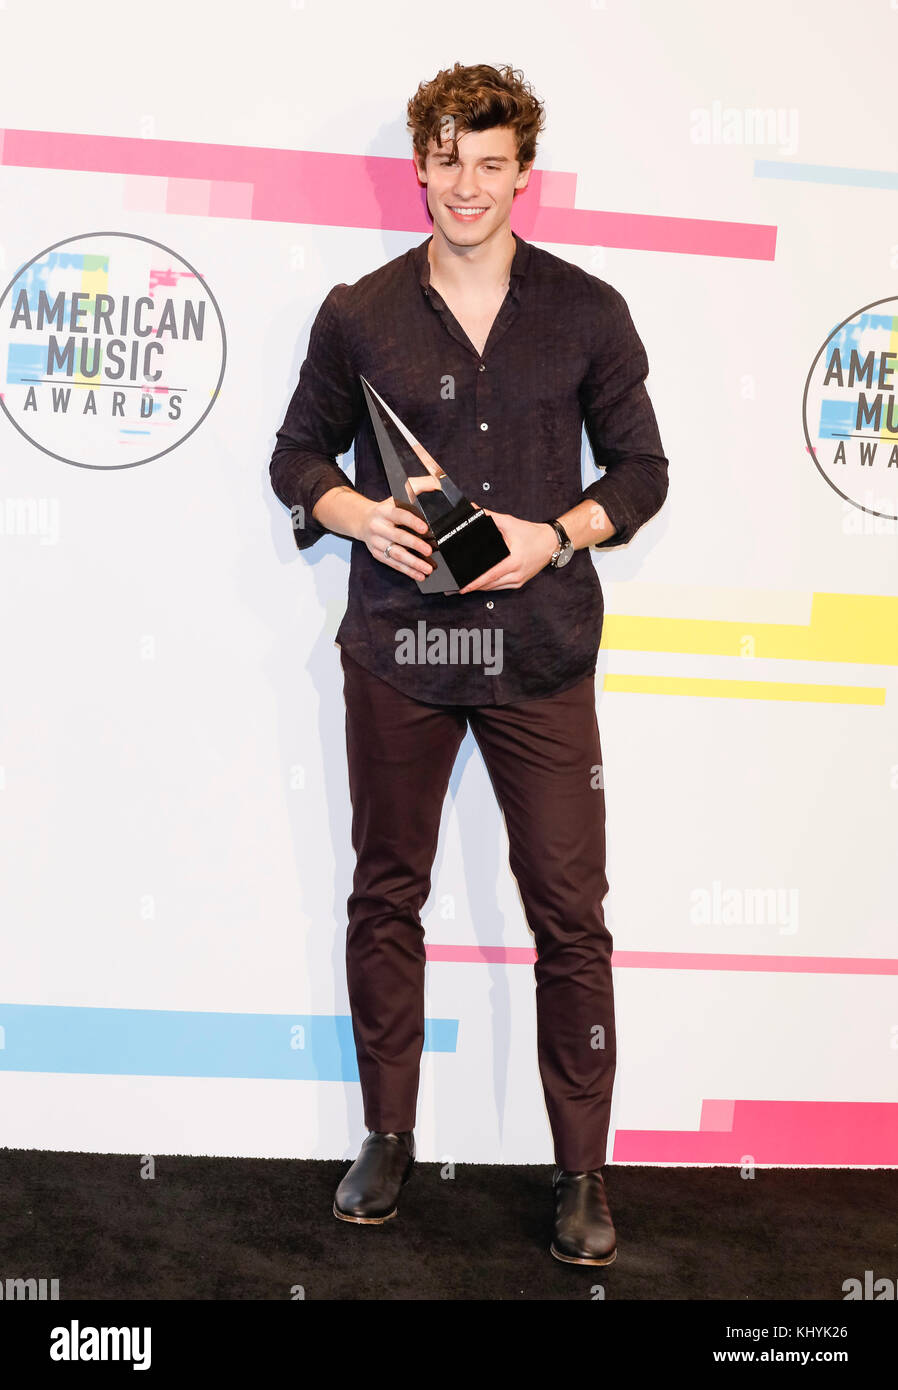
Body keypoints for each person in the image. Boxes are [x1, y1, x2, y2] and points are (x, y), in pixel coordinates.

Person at [269, 62, 669, 1266]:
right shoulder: (359, 310)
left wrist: (557, 534)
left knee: (571, 919)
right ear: (421, 166)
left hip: (541, 653)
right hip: (399, 647)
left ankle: (583, 1174)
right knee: (386, 891)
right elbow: (295, 457)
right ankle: (387, 1138)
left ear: (522, 175)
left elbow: (642, 473)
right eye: (446, 158)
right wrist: (351, 510)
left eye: (489, 163)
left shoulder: (589, 310)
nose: (466, 184)